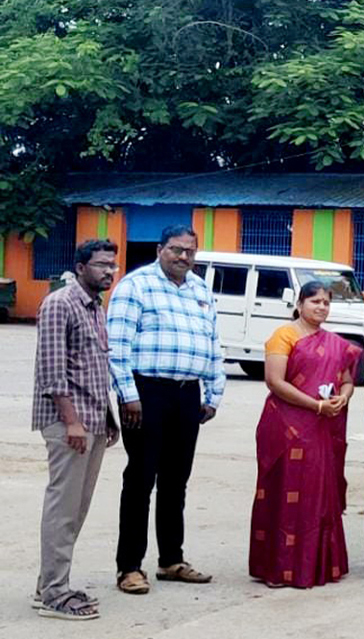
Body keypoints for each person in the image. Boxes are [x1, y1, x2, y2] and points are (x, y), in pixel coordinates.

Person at [108, 224, 223, 595]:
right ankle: (129, 567)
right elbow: (117, 346)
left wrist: (213, 393)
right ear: (160, 249)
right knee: (140, 480)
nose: (183, 257)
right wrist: (128, 395)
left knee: (176, 481)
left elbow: (212, 343)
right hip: (146, 393)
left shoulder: (200, 289)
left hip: (187, 395)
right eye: (176, 249)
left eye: (190, 251)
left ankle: (171, 560)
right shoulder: (135, 286)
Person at [249, 281, 360, 589]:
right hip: (286, 427)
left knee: (319, 495)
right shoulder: (283, 336)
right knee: (284, 494)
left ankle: (318, 566)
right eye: (315, 301)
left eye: (326, 302)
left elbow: (348, 380)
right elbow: (275, 381)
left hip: (323, 429)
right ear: (299, 304)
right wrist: (316, 405)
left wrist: (343, 397)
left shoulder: (335, 343)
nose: (321, 307)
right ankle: (279, 568)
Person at [32, 239, 120, 621]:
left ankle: (50, 584)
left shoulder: (94, 307)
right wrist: (72, 422)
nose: (108, 272)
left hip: (93, 420)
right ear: (81, 266)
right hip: (70, 423)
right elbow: (53, 374)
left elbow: (94, 368)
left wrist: (109, 418)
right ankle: (54, 594)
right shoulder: (60, 304)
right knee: (63, 508)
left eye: (112, 266)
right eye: (101, 265)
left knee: (77, 508)